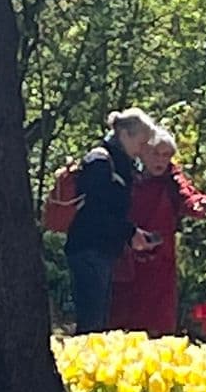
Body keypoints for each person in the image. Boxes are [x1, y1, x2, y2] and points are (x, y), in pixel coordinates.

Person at [106, 127, 206, 336]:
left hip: (159, 265)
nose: (161, 160)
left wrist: (197, 203)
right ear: (142, 151)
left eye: (166, 155)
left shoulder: (172, 178)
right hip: (126, 259)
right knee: (120, 320)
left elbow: (186, 193)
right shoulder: (125, 173)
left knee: (158, 324)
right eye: (156, 154)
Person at [63, 108, 155, 334]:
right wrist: (130, 232)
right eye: (141, 143)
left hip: (102, 249)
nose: (142, 149)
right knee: (92, 323)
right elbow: (97, 212)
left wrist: (130, 234)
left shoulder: (120, 163)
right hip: (88, 248)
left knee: (99, 320)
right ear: (124, 134)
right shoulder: (100, 162)